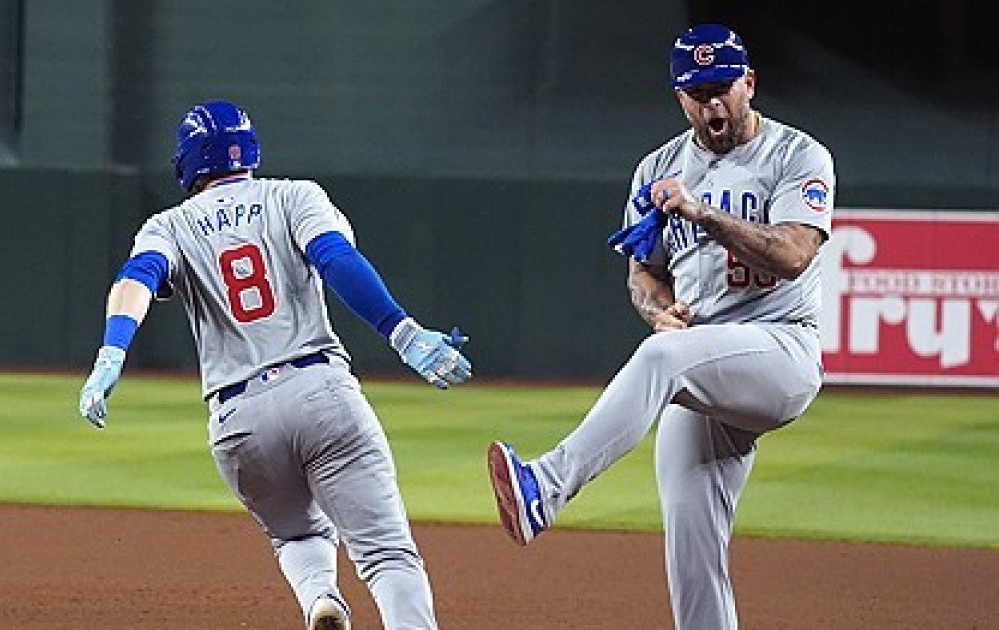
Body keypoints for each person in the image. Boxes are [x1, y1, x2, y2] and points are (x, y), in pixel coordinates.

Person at [486, 23, 834, 630]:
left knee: (659, 359)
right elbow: (642, 276)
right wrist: (656, 311)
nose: (713, 103)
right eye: (698, 92)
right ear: (679, 97)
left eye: (724, 87)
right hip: (701, 373)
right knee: (692, 552)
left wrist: (703, 211)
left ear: (749, 84)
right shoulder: (658, 168)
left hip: (781, 349)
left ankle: (546, 487)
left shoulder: (796, 155)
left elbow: (793, 254)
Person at [78, 100, 472, 630]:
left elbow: (137, 280)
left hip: (237, 420)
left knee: (297, 535)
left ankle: (320, 598)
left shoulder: (166, 226)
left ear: (189, 160)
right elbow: (336, 259)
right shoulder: (294, 195)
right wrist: (401, 332)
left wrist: (111, 354)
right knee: (387, 556)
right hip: (319, 389)